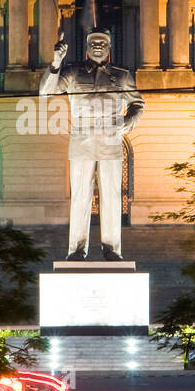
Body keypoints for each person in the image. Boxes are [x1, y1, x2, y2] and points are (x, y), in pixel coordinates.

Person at [40, 27, 144, 260]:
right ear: (86, 47)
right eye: (94, 41)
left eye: (102, 41)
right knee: (80, 196)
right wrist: (56, 62)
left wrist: (128, 122)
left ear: (109, 46)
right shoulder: (73, 72)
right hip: (82, 143)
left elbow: (138, 105)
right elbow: (45, 92)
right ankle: (76, 249)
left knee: (111, 197)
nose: (98, 45)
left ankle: (112, 249)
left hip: (111, 143)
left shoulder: (122, 74)